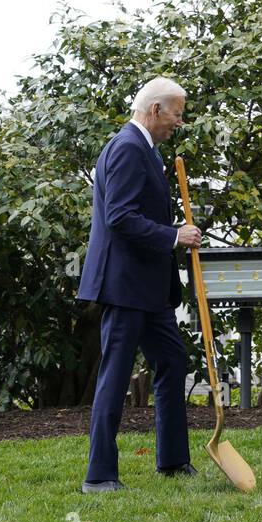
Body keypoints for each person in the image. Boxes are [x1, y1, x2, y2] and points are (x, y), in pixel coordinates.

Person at [77, 77, 202, 492]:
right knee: (115, 375)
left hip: (148, 288)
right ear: (155, 111)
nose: (179, 122)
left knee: (171, 361)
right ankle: (99, 476)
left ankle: (172, 461)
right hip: (124, 284)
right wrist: (173, 236)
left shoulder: (144, 149)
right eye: (177, 114)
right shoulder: (128, 148)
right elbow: (120, 217)